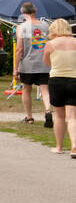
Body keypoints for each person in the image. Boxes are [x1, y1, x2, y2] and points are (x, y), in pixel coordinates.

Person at [13, 2, 53, 128]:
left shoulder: (21, 27)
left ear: (22, 12)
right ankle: (48, 111)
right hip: (44, 63)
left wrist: (15, 68)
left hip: (27, 64)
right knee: (45, 90)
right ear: (35, 12)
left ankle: (29, 117)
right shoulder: (46, 26)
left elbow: (19, 49)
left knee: (26, 89)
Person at [41, 18, 76, 156]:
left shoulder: (50, 44)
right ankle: (74, 144)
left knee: (60, 116)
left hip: (57, 81)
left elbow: (47, 63)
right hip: (74, 80)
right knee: (73, 117)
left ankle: (59, 147)